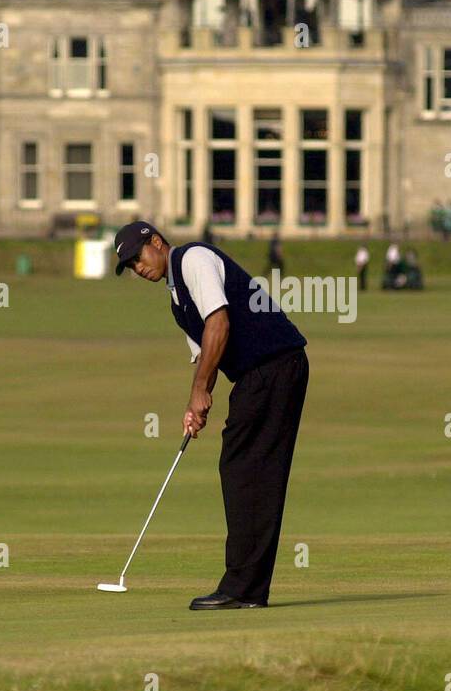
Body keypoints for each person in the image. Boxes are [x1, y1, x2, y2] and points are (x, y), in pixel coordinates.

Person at [113, 221, 308, 611]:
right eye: (130, 266)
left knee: (245, 469)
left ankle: (242, 588)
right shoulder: (176, 300)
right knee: (247, 470)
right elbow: (208, 354)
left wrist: (199, 391)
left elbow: (219, 322)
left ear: (157, 242)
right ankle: (248, 588)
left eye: (138, 257)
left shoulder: (193, 259)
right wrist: (196, 403)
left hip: (274, 365)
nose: (138, 268)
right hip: (261, 374)